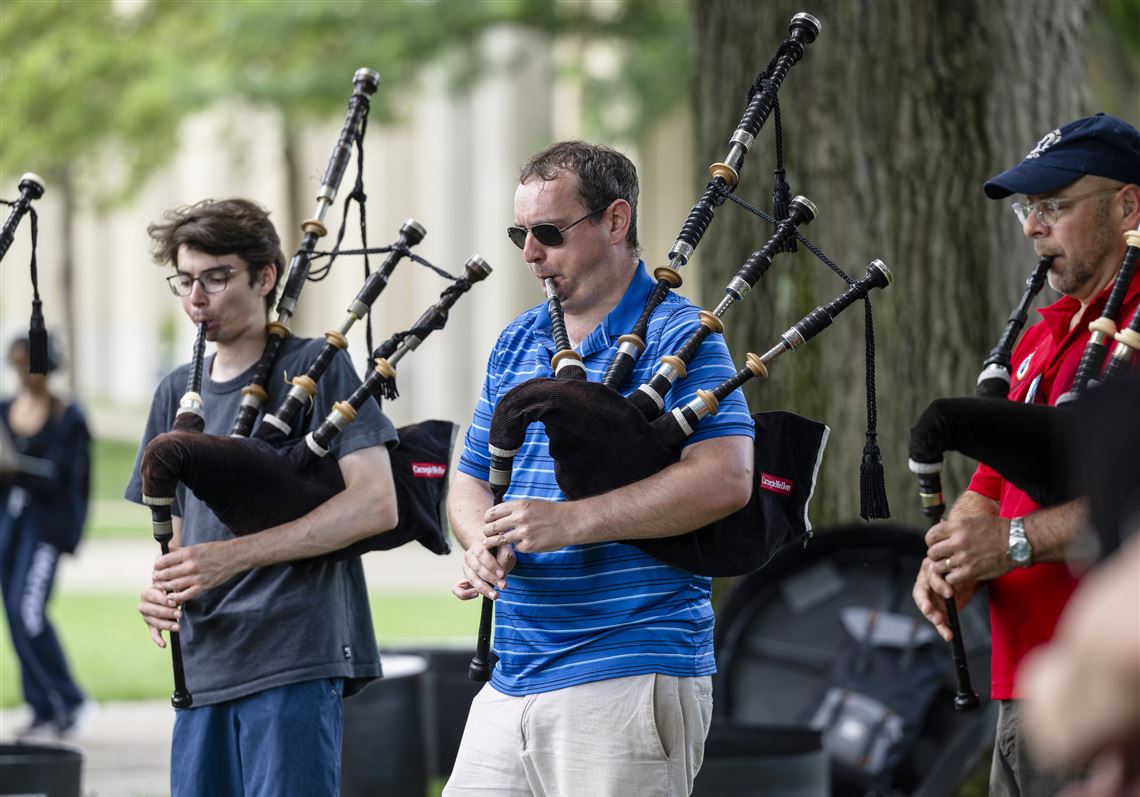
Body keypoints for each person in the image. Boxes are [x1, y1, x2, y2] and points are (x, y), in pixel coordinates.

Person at [444, 141, 755, 797]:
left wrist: (572, 521)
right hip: (513, 672)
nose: (530, 253)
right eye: (519, 234)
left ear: (616, 221)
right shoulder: (518, 338)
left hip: (629, 666)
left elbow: (727, 476)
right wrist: (481, 541)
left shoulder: (680, 333)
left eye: (549, 233)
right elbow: (469, 478)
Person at [124, 198, 399, 797]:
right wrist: (159, 590)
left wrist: (237, 556)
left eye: (217, 277)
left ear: (265, 276)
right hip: (203, 664)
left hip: (292, 654)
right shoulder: (175, 391)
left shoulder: (316, 366)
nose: (198, 297)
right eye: (185, 280)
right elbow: (176, 533)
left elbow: (377, 503)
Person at [912, 113, 1140, 796]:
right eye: (1028, 208)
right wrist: (952, 558)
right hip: (1025, 690)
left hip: (1111, 692)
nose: (1032, 227)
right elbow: (989, 482)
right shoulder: (1043, 340)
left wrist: (1011, 543)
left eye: (1053, 206)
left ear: (1128, 205)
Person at [0, 334, 91, 740]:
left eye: (30, 365)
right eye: (17, 365)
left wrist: (17, 468)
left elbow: (70, 480)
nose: (24, 374)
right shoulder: (5, 410)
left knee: (29, 611)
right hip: (10, 527)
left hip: (46, 528)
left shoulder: (67, 416)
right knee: (13, 617)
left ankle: (70, 699)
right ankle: (41, 705)